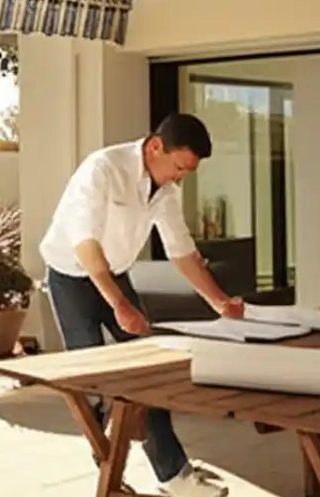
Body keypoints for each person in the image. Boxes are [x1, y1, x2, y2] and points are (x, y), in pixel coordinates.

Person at [40, 112, 243, 497]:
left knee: (148, 375)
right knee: (95, 383)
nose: (180, 177)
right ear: (155, 148)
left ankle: (175, 478)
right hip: (71, 276)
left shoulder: (165, 190)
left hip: (115, 273)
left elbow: (181, 251)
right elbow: (85, 244)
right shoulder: (102, 169)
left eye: (187, 172)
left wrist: (220, 303)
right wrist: (118, 304)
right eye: (179, 167)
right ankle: (110, 468)